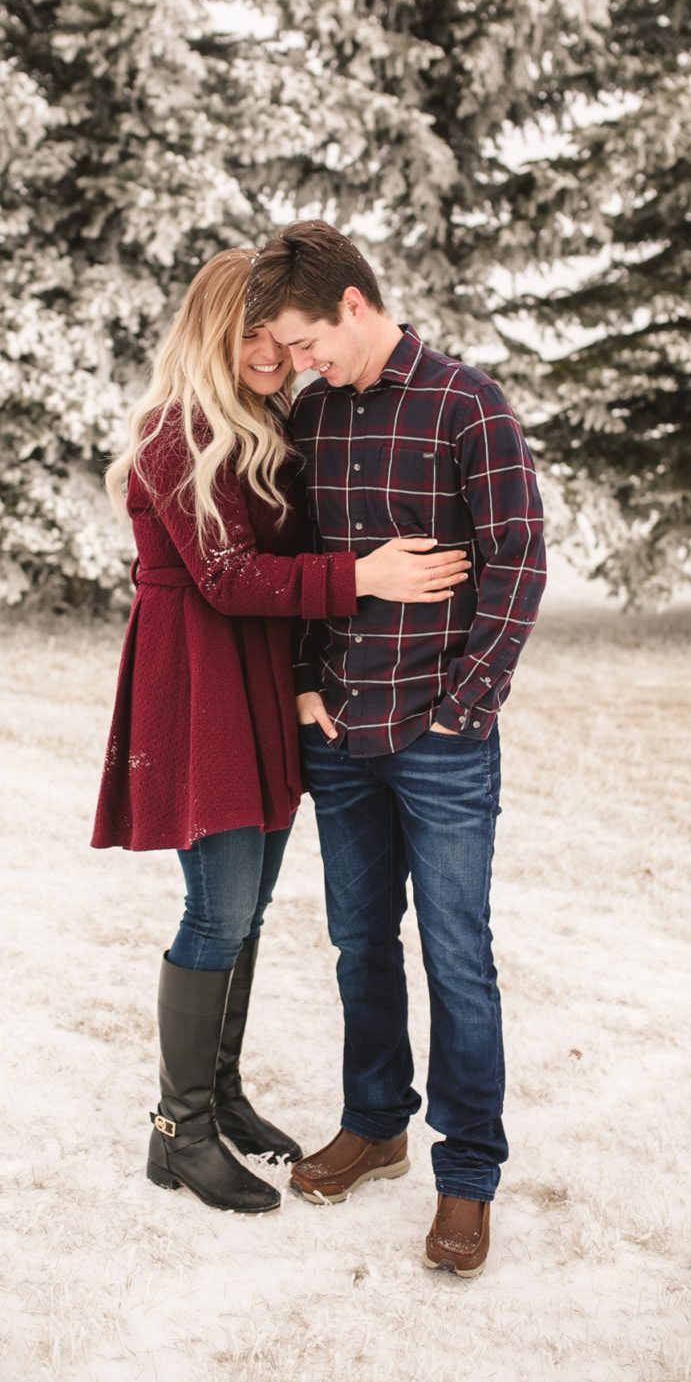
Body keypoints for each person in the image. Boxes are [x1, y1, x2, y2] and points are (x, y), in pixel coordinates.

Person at [91, 247, 471, 1216]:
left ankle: (218, 1098)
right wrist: (362, 578)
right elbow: (227, 577)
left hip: (257, 683)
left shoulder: (261, 424)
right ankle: (176, 1130)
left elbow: (274, 567)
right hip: (197, 687)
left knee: (247, 910)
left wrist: (305, 678)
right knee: (214, 910)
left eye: (279, 332)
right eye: (251, 331)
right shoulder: (175, 432)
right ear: (214, 329)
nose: (272, 350)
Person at [245, 221, 547, 1274]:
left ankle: (466, 1177)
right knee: (359, 941)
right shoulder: (314, 417)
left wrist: (466, 704)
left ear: (354, 307)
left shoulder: (467, 404)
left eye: (307, 341)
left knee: (457, 956)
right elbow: (297, 563)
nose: (302, 363)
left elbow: (518, 561)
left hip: (439, 736)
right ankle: (374, 1121)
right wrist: (297, 687)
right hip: (339, 734)